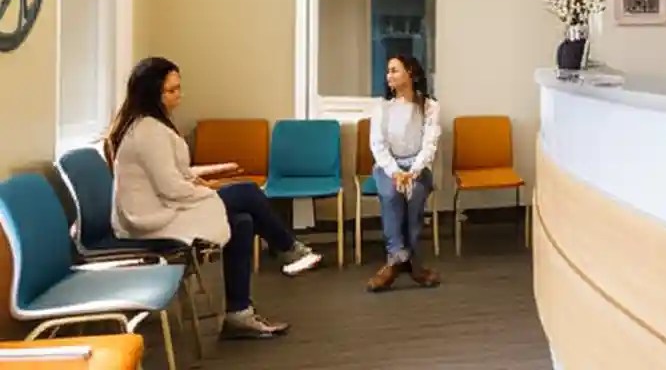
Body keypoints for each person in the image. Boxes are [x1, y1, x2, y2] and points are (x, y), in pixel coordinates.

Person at [106, 57, 323, 339]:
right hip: (150, 220)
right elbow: (172, 187)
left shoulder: (151, 126)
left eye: (178, 89)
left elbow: (176, 173)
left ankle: (239, 314)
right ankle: (289, 248)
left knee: (243, 221)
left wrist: (215, 171)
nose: (179, 97)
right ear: (151, 93)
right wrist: (213, 194)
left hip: (164, 207)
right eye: (171, 91)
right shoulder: (148, 131)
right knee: (246, 192)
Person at [365, 55, 444, 292]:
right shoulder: (382, 107)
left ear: (410, 73)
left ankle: (401, 261)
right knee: (391, 195)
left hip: (417, 166)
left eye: (394, 70)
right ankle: (403, 259)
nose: (389, 76)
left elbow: (430, 144)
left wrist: (413, 172)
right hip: (388, 166)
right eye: (388, 71)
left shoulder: (430, 106)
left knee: (415, 195)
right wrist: (396, 172)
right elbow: (378, 145)